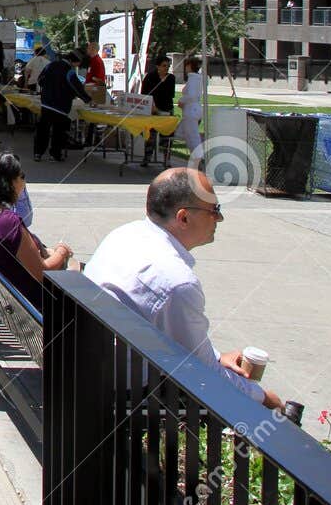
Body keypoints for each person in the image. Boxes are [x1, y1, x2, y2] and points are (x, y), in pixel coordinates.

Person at [85, 168, 282, 410]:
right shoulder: (177, 281)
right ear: (184, 218)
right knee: (261, 408)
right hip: (126, 395)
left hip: (87, 371)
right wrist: (262, 397)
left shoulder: (125, 234)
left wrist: (218, 357)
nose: (219, 219)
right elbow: (203, 375)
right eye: (215, 210)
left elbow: (183, 344)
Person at [0, 151, 70, 306]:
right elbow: (41, 272)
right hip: (33, 303)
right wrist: (62, 251)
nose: (24, 182)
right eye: (21, 176)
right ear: (10, 182)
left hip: (5, 296)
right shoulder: (7, 221)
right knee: (79, 271)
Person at [35, 49, 87, 161]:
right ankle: (55, 154)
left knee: (43, 129)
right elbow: (78, 88)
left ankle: (38, 153)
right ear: (75, 61)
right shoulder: (69, 72)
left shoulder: (50, 65)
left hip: (46, 103)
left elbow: (40, 80)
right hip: (61, 105)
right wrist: (87, 99)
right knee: (58, 131)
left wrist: (48, 88)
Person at [176, 56, 205, 157]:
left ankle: (199, 158)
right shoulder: (197, 78)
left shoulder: (193, 79)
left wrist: (181, 101)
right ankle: (196, 157)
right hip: (193, 110)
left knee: (193, 137)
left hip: (191, 111)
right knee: (181, 134)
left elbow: (191, 95)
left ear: (189, 66)